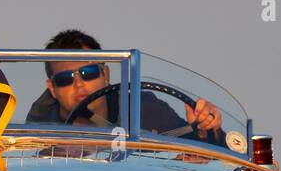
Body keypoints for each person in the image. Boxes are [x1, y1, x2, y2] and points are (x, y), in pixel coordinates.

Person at [24, 29, 224, 141]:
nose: (78, 84)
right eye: (65, 79)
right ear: (52, 89)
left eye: (88, 73)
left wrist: (206, 127)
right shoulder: (39, 127)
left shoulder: (143, 108)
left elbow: (205, 150)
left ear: (105, 74)